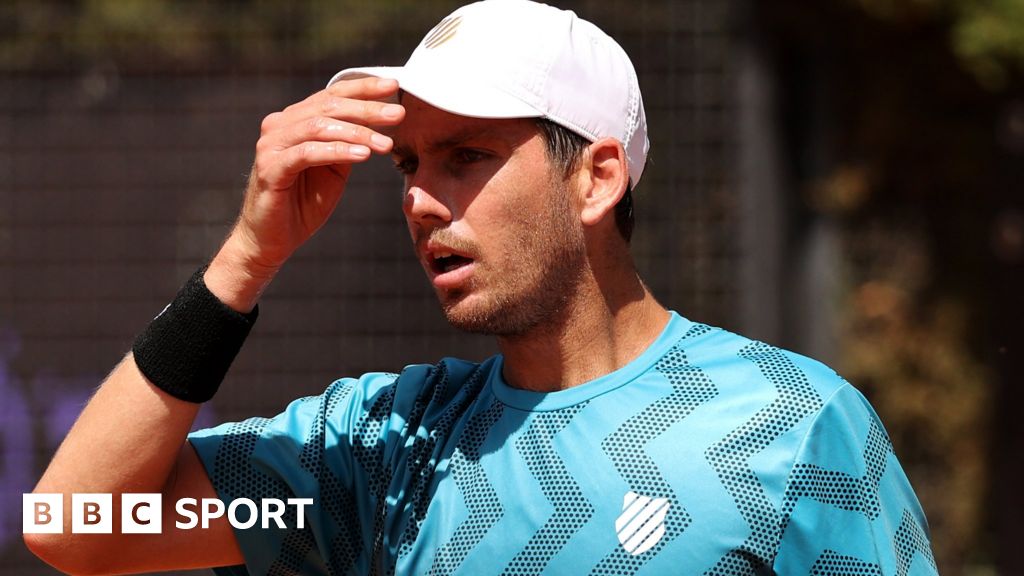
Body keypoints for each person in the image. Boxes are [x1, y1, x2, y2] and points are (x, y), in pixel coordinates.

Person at [25, 1, 938, 574]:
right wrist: (243, 264)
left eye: (466, 157)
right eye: (409, 163)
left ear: (599, 177)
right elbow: (76, 523)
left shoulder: (791, 424)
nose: (421, 198)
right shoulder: (380, 455)